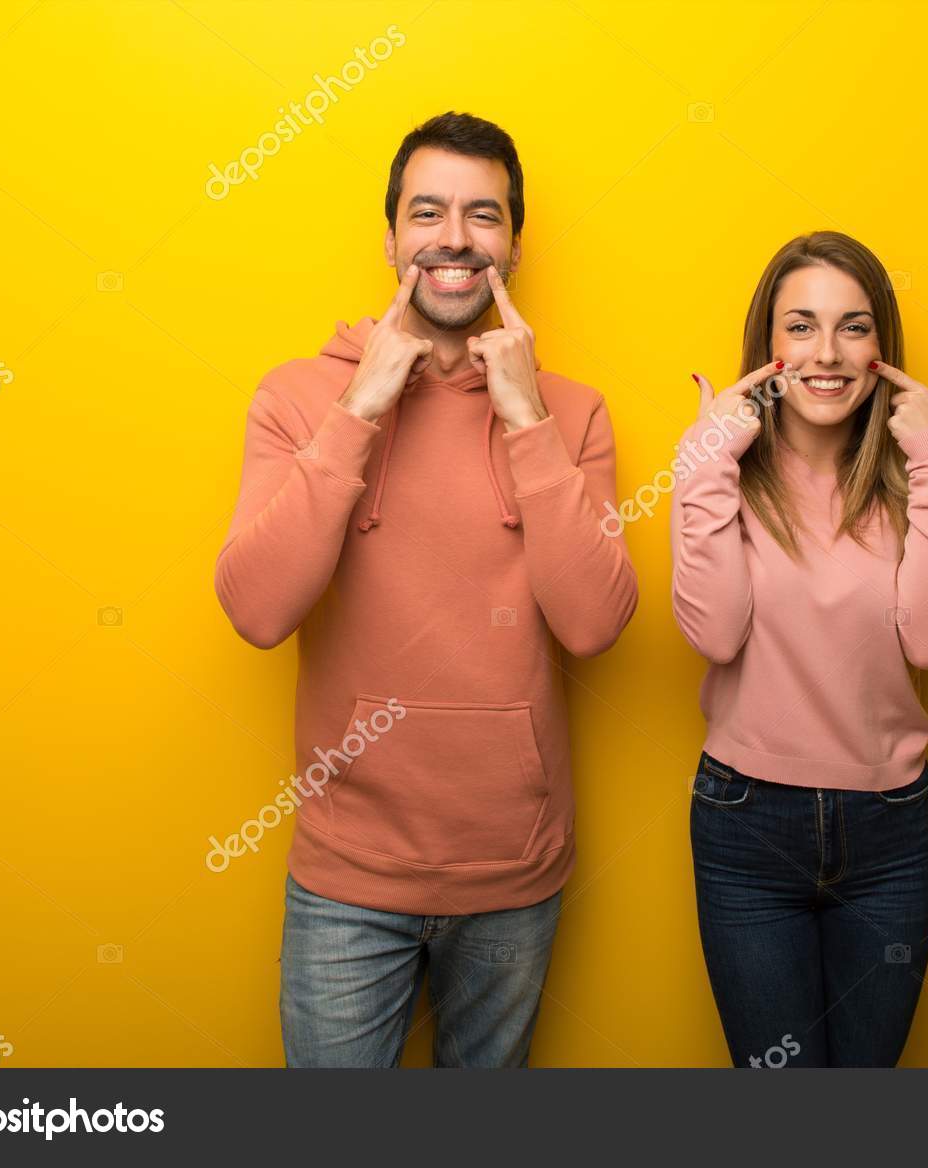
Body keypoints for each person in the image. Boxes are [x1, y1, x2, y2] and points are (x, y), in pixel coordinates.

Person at [215, 111, 637, 1067]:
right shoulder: (295, 397)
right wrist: (361, 404)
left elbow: (594, 623)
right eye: (429, 212)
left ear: (513, 247)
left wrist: (526, 418)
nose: (455, 238)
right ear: (392, 239)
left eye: (483, 216)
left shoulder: (572, 410)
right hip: (347, 881)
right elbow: (255, 610)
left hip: (513, 878)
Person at [670, 230, 928, 1067]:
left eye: (854, 326)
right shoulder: (722, 470)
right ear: (767, 347)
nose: (827, 353)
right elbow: (715, 631)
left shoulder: (913, 475)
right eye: (800, 326)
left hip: (892, 834)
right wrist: (703, 463)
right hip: (746, 827)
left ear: (883, 350)